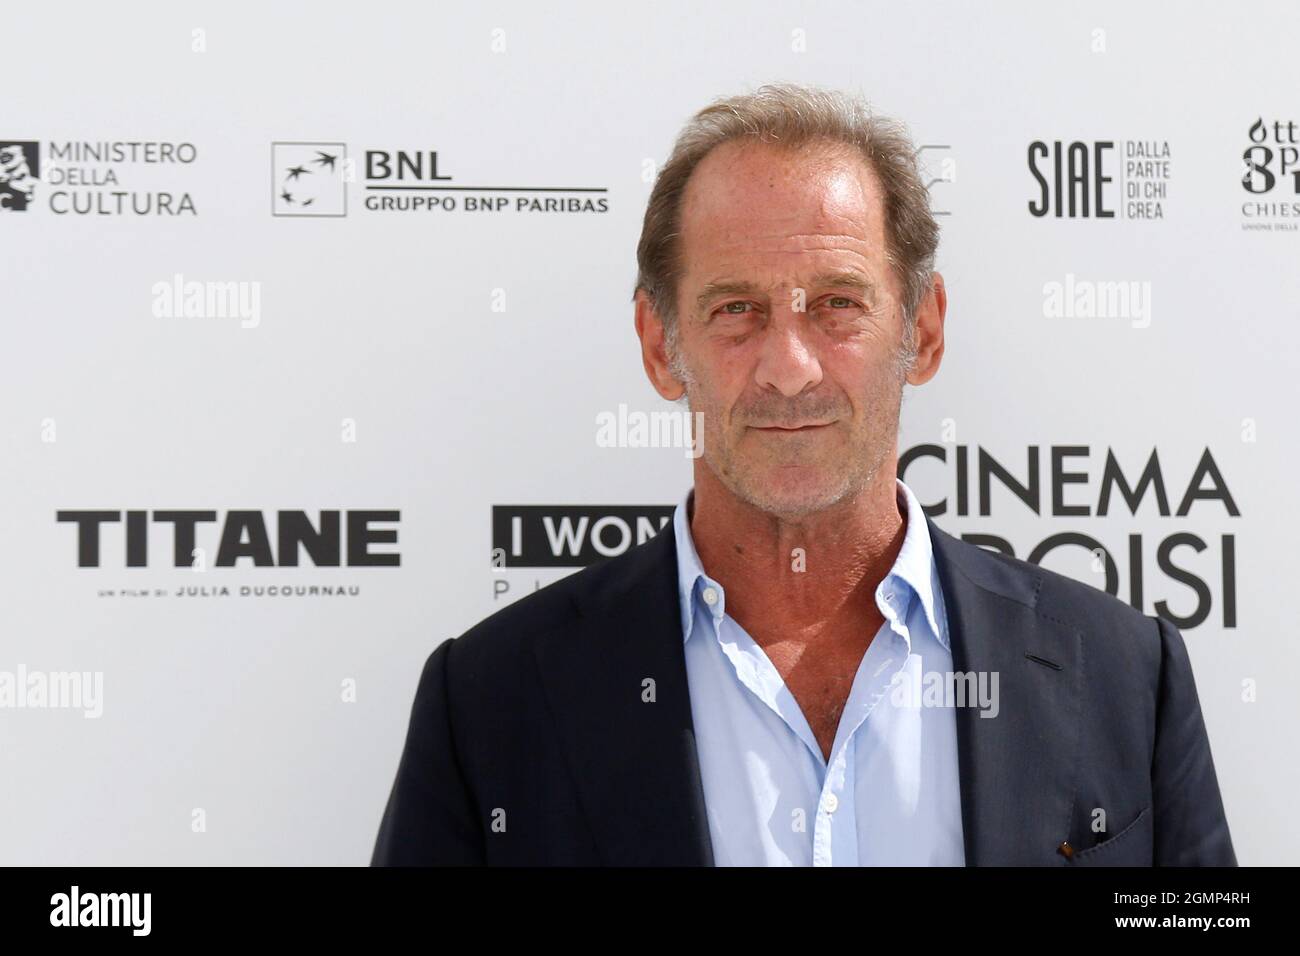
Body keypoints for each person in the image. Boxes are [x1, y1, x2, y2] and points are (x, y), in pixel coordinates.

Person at [371, 83, 1235, 866]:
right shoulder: (492, 701)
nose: (789, 368)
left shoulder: (1124, 676)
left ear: (923, 332)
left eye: (837, 304)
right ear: (659, 346)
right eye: (736, 309)